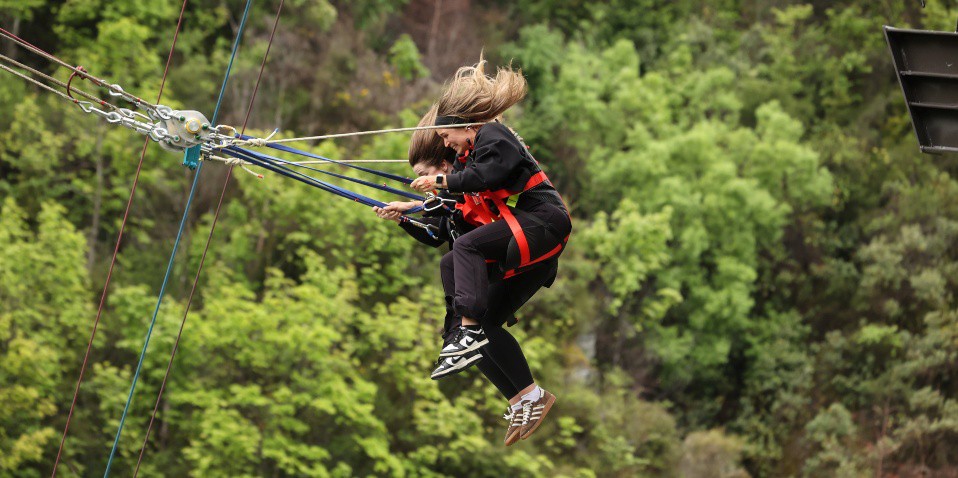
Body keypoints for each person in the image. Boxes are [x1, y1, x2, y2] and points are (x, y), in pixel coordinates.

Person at [374, 106, 565, 445]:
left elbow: (482, 178)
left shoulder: (490, 140)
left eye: (448, 139)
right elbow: (437, 232)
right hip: (521, 251)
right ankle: (525, 396)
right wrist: (407, 214)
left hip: (543, 226)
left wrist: (439, 185)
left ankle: (467, 330)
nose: (448, 146)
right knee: (476, 318)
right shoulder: (459, 179)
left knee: (463, 269)